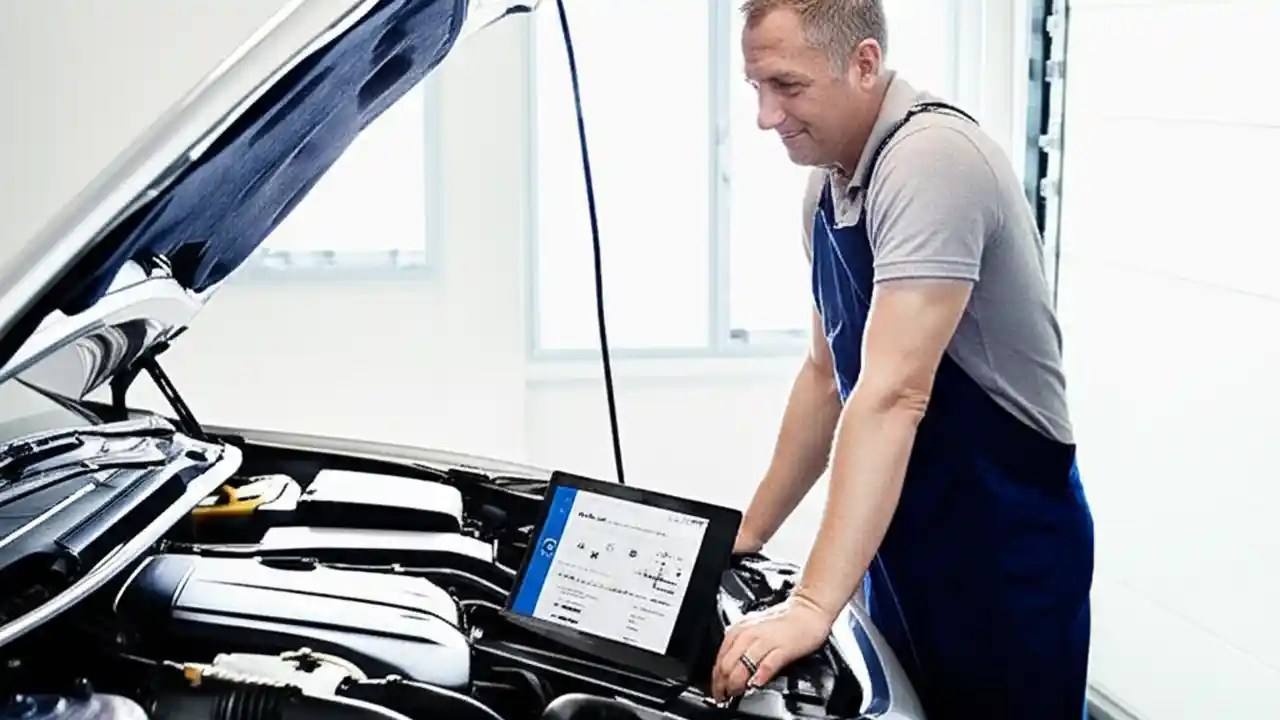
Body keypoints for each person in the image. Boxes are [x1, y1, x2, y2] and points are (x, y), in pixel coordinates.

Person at [708, 1, 1095, 718]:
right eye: (756, 87)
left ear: (864, 63)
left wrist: (811, 605)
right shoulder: (827, 188)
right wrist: (746, 534)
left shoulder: (932, 161)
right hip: (904, 542)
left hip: (1000, 548)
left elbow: (893, 395)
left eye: (787, 86)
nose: (765, 116)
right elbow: (827, 379)